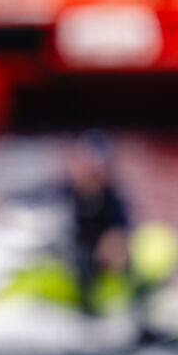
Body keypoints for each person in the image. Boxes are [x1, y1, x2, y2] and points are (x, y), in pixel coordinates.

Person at [59, 131, 131, 314]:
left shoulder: (113, 201)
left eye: (98, 168)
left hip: (100, 270)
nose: (92, 173)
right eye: (88, 166)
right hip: (65, 263)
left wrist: (115, 242)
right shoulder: (60, 194)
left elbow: (122, 231)